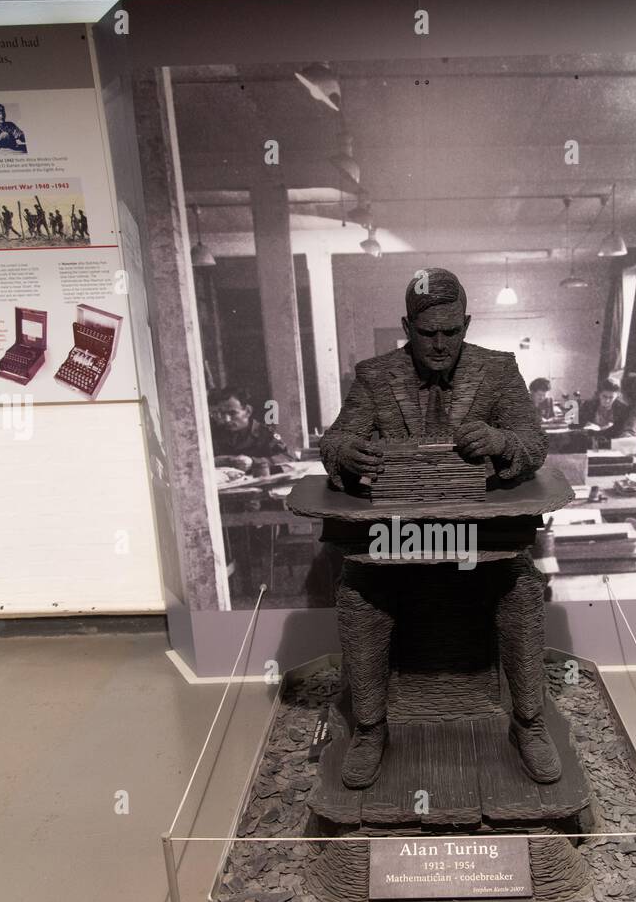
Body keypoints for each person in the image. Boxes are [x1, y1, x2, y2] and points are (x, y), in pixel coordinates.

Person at [320, 266, 560, 789]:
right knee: (359, 593)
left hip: (481, 536)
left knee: (521, 588)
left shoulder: (496, 372)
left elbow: (533, 442)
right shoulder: (374, 376)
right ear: (408, 326)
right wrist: (345, 450)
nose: (439, 344)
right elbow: (335, 440)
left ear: (467, 324)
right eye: (427, 333)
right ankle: (370, 728)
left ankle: (529, 722)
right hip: (398, 537)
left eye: (451, 332)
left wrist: (500, 443)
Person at [208, 386, 290, 463]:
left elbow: (287, 458)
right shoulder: (216, 433)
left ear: (248, 411)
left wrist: (253, 462)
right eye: (222, 413)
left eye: (232, 413)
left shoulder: (264, 434)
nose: (227, 419)